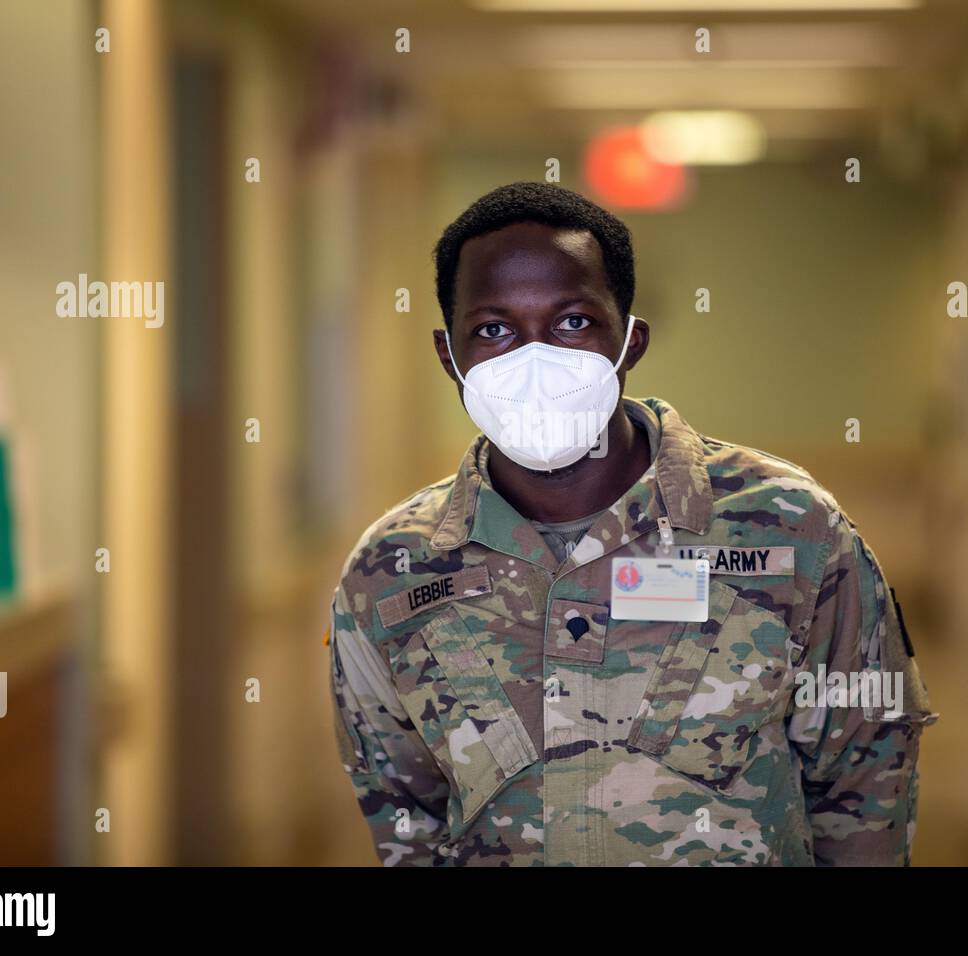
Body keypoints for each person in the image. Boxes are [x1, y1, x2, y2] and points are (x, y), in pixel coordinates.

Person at [326, 181, 937, 866]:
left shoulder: (792, 529)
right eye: (493, 329)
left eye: (573, 322)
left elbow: (865, 780)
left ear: (630, 342)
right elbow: (402, 811)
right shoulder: (391, 573)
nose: (535, 359)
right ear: (451, 357)